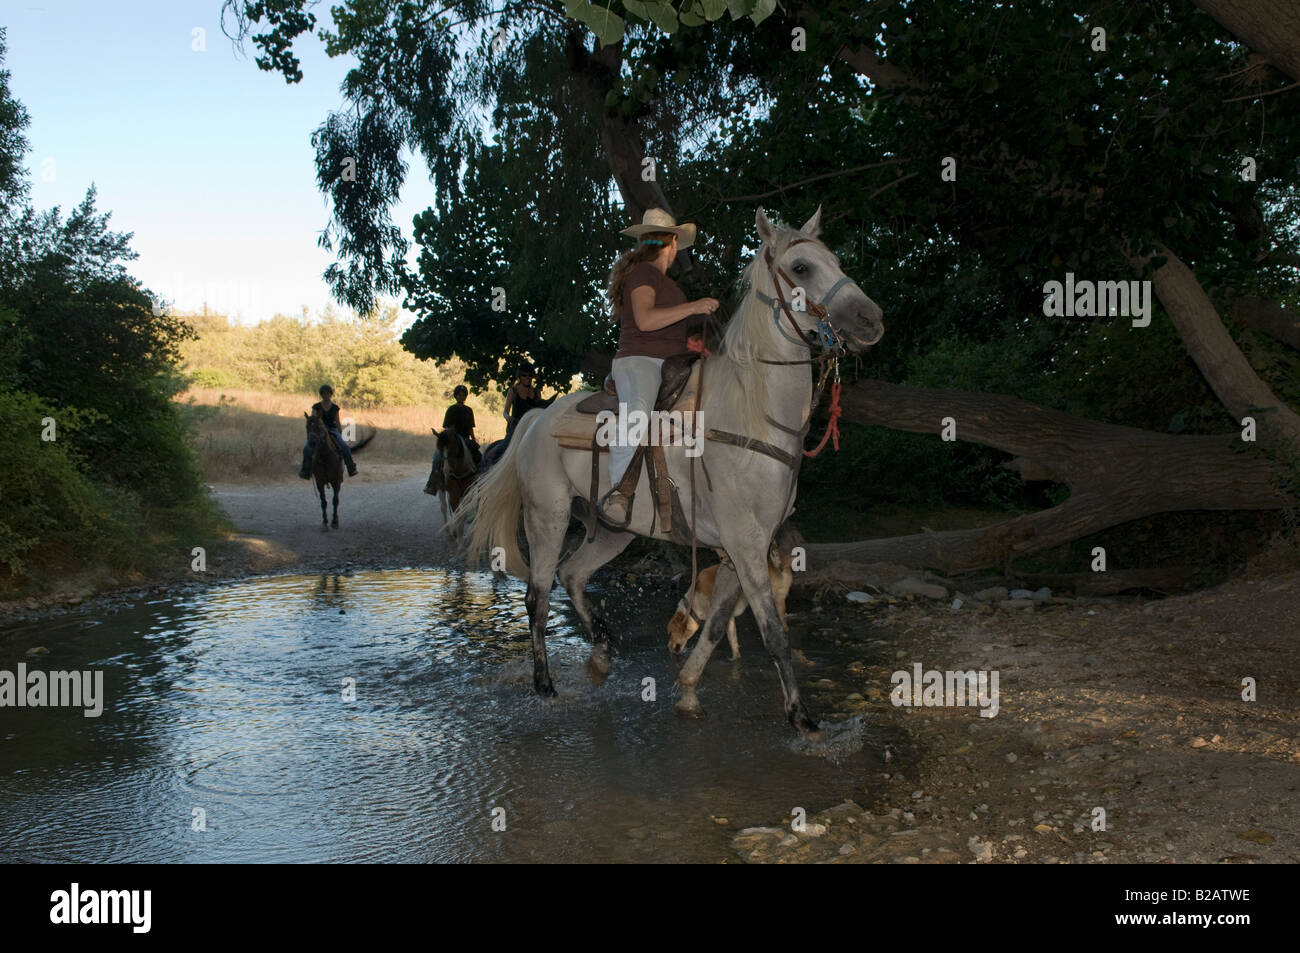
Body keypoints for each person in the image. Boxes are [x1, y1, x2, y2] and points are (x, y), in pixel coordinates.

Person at [597, 208, 719, 526]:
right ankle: (618, 494)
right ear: (673, 243)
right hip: (639, 361)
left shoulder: (667, 284)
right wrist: (694, 306)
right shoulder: (643, 275)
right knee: (638, 410)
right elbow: (646, 320)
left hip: (672, 365)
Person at [427, 385, 482, 494]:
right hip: (452, 438)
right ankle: (433, 484)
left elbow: (471, 427)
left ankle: (478, 482)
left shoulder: (469, 410)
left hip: (465, 439)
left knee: (478, 456)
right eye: (459, 395)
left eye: (463, 395)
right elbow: (447, 427)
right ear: (455, 396)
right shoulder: (451, 409)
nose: (461, 397)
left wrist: (474, 439)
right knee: (437, 457)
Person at [299, 384, 358, 478]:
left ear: (331, 394)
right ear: (321, 395)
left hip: (332, 430)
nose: (326, 395)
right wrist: (316, 422)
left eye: (328, 393)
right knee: (307, 448)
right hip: (319, 430)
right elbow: (313, 418)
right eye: (324, 394)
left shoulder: (335, 408)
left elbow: (337, 421)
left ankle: (351, 468)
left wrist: (340, 433)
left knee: (345, 446)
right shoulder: (316, 406)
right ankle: (305, 470)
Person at [501, 362, 554, 447]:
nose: (527, 378)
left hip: (531, 427)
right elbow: (505, 412)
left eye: (530, 375)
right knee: (504, 446)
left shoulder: (537, 392)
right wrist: (508, 418)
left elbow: (539, 411)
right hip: (516, 426)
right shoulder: (513, 391)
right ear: (519, 376)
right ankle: (491, 457)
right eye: (524, 375)